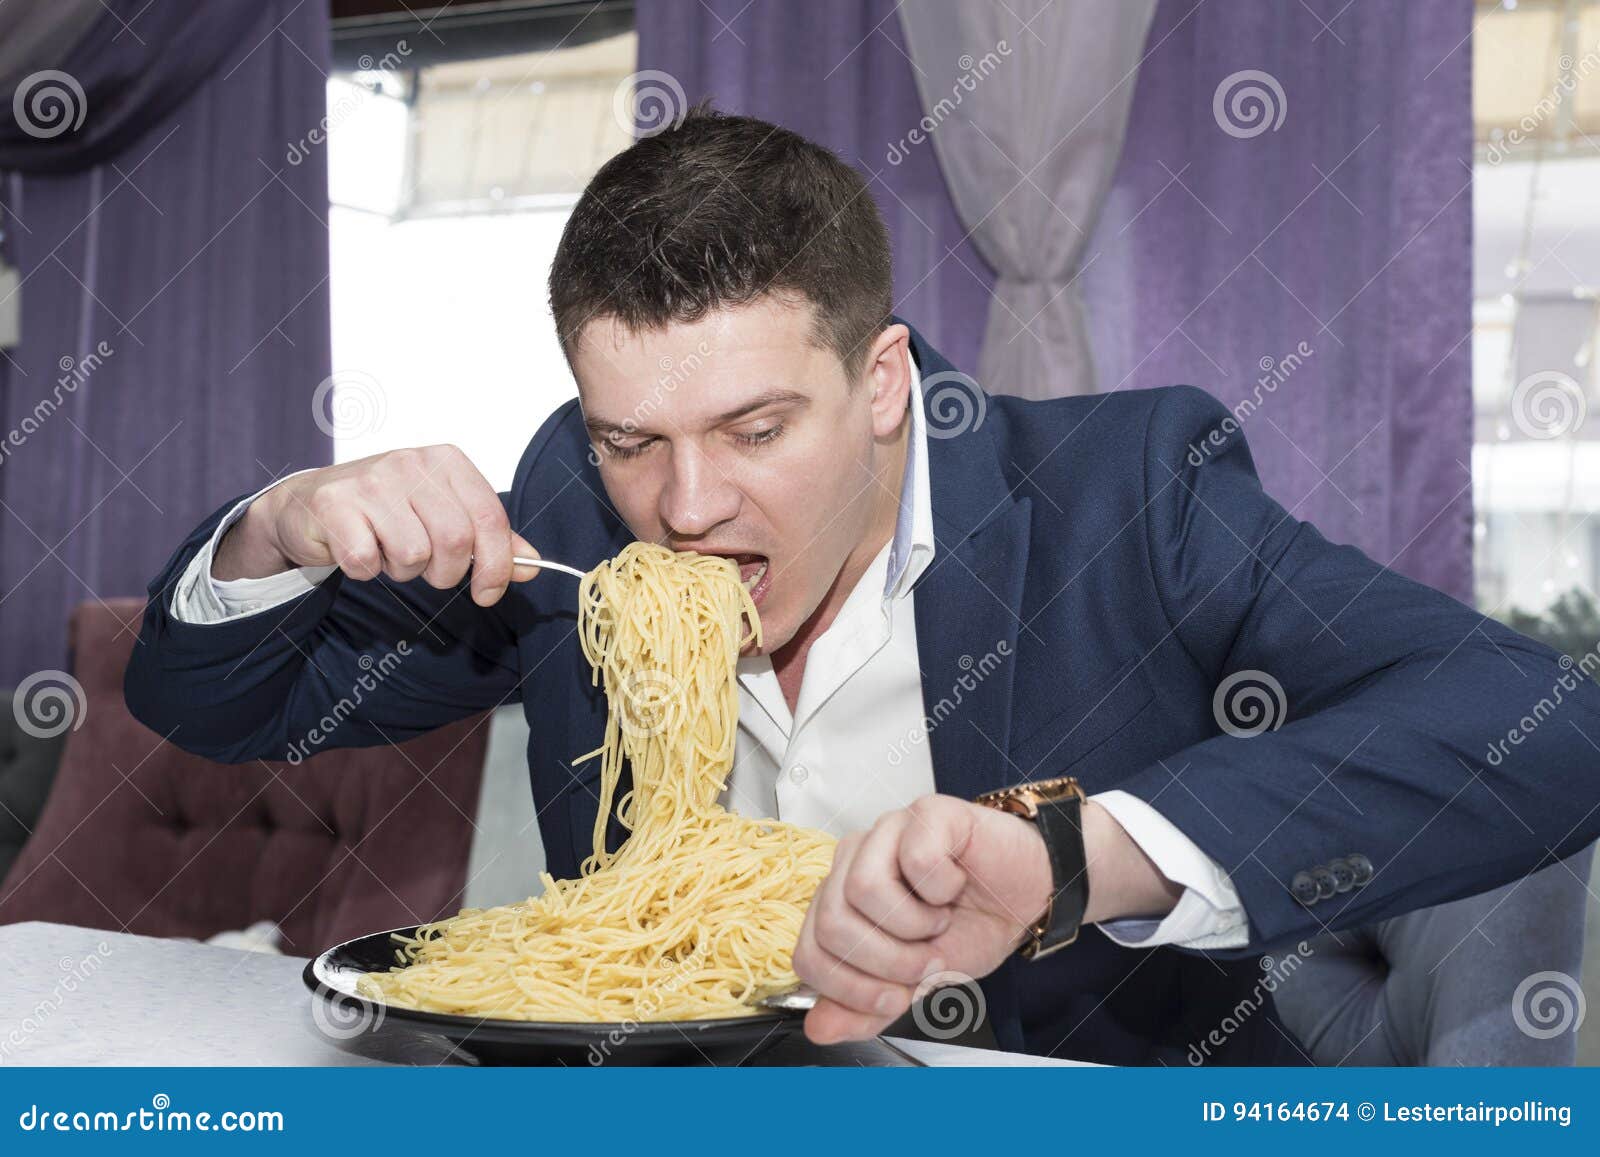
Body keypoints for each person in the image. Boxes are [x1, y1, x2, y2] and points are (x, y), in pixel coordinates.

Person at [125, 106, 1600, 1066]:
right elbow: (218, 698)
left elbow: (1541, 719)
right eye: (633, 436)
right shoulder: (572, 512)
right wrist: (282, 523)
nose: (687, 509)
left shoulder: (1119, 495)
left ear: (883, 381)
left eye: (757, 430)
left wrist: (1073, 861)